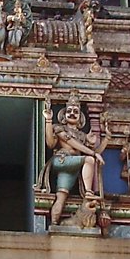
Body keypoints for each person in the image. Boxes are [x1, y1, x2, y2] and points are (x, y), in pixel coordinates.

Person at [43, 95, 104, 225]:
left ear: (80, 117)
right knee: (89, 160)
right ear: (63, 115)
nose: (72, 114)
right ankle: (88, 192)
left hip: (73, 166)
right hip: (62, 160)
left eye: (75, 111)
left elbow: (97, 153)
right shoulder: (60, 129)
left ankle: (54, 223)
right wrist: (48, 120)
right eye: (69, 111)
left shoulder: (82, 135)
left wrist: (107, 138)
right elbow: (51, 143)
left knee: (61, 196)